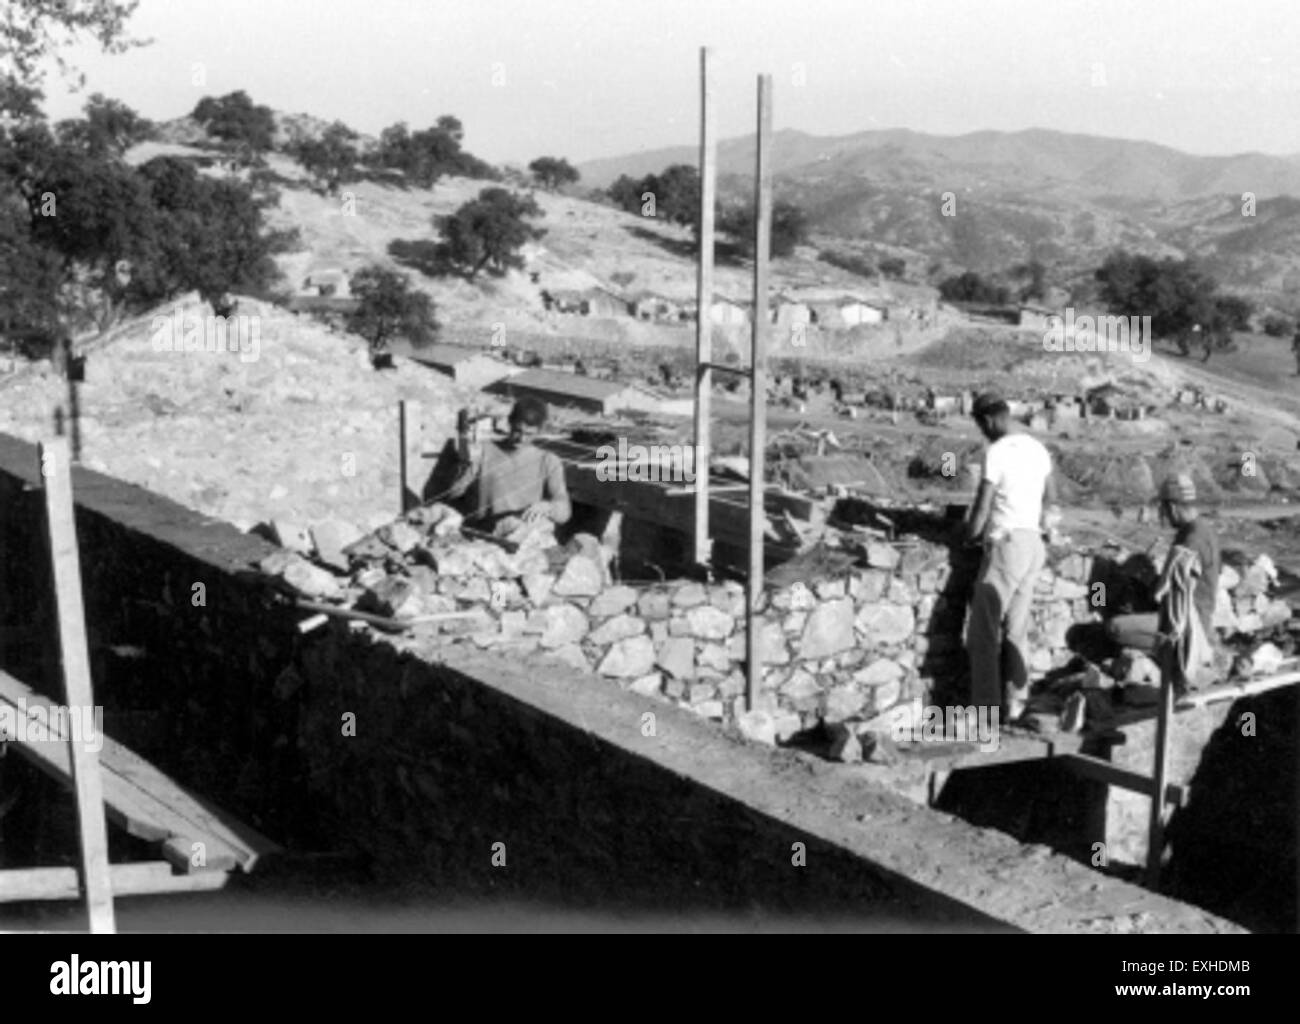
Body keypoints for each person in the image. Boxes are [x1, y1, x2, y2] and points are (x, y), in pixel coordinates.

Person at [963, 392, 1057, 720]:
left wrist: (967, 537)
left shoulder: (998, 452)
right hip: (1034, 545)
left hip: (1008, 545)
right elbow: (1052, 499)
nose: (982, 432)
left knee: (983, 631)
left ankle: (985, 710)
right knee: (1016, 629)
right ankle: (1017, 704)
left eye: (980, 426)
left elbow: (982, 505)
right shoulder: (1037, 448)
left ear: (988, 420)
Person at [1105, 473, 1220, 658]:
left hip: (1186, 622)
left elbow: (1162, 595)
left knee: (1113, 628)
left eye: (1164, 509)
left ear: (1173, 507)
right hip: (1187, 614)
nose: (1163, 515)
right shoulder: (1198, 530)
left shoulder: (1192, 539)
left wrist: (1146, 575)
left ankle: (1166, 656)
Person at [443, 397, 572, 530]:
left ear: (540, 431)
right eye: (517, 431)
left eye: (529, 434)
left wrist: (549, 507)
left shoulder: (548, 461)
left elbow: (565, 512)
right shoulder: (484, 450)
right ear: (510, 421)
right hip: (483, 532)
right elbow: (454, 494)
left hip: (518, 533)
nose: (521, 438)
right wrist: (466, 466)